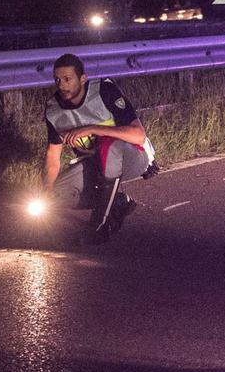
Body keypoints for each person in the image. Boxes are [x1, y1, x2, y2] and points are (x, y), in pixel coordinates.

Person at [42, 53, 157, 242]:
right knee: (56, 196)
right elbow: (52, 157)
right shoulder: (54, 110)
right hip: (95, 164)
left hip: (132, 158)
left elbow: (138, 135)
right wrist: (46, 191)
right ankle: (117, 203)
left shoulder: (104, 91)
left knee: (109, 145)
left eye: (68, 79)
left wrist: (91, 128)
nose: (61, 85)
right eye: (57, 79)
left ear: (83, 79)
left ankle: (100, 225)